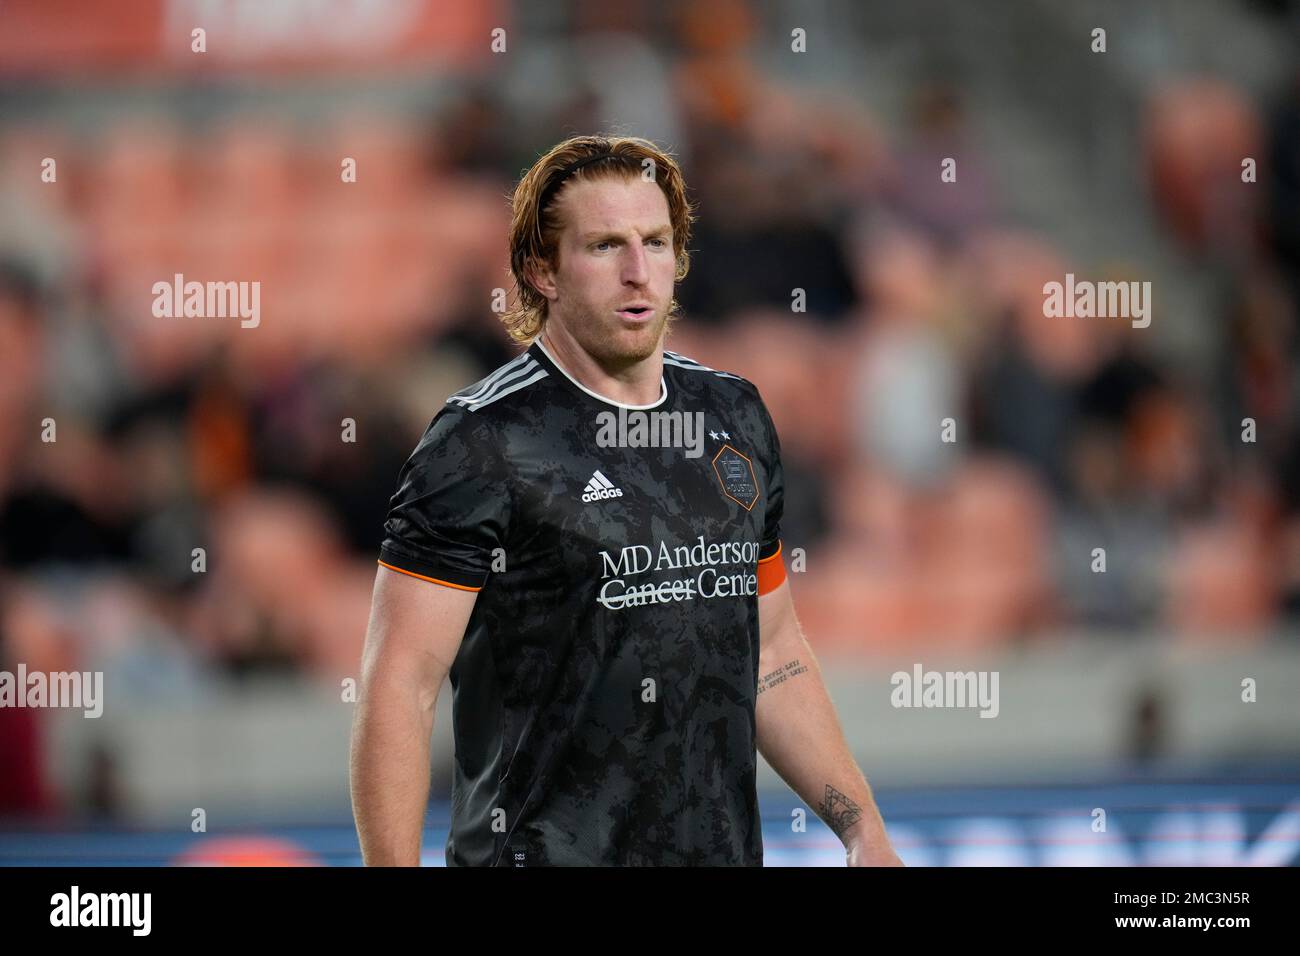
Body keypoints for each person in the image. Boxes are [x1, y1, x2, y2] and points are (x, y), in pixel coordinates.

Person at [349, 133, 901, 866]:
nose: (639, 273)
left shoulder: (732, 417)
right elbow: (400, 688)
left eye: (656, 242)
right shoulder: (480, 442)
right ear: (541, 270)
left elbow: (771, 654)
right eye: (606, 246)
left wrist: (862, 830)